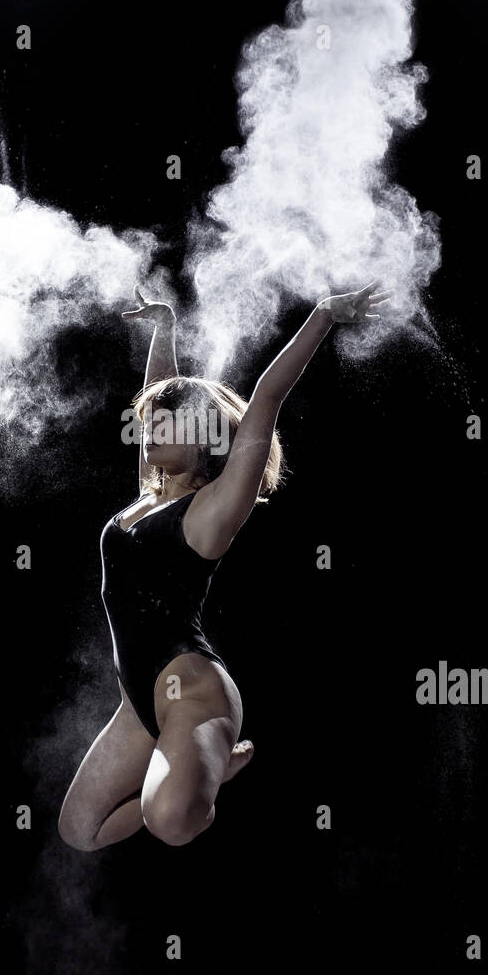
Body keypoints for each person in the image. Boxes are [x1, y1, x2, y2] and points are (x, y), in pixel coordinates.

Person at [58, 280, 391, 850]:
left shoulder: (210, 511)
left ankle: (204, 776)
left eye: (165, 422)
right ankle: (199, 771)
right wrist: (164, 327)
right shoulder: (149, 495)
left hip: (195, 695)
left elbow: (265, 399)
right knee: (80, 833)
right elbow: (160, 392)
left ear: (203, 439)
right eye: (150, 421)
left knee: (170, 823)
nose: (148, 427)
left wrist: (323, 317)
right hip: (139, 698)